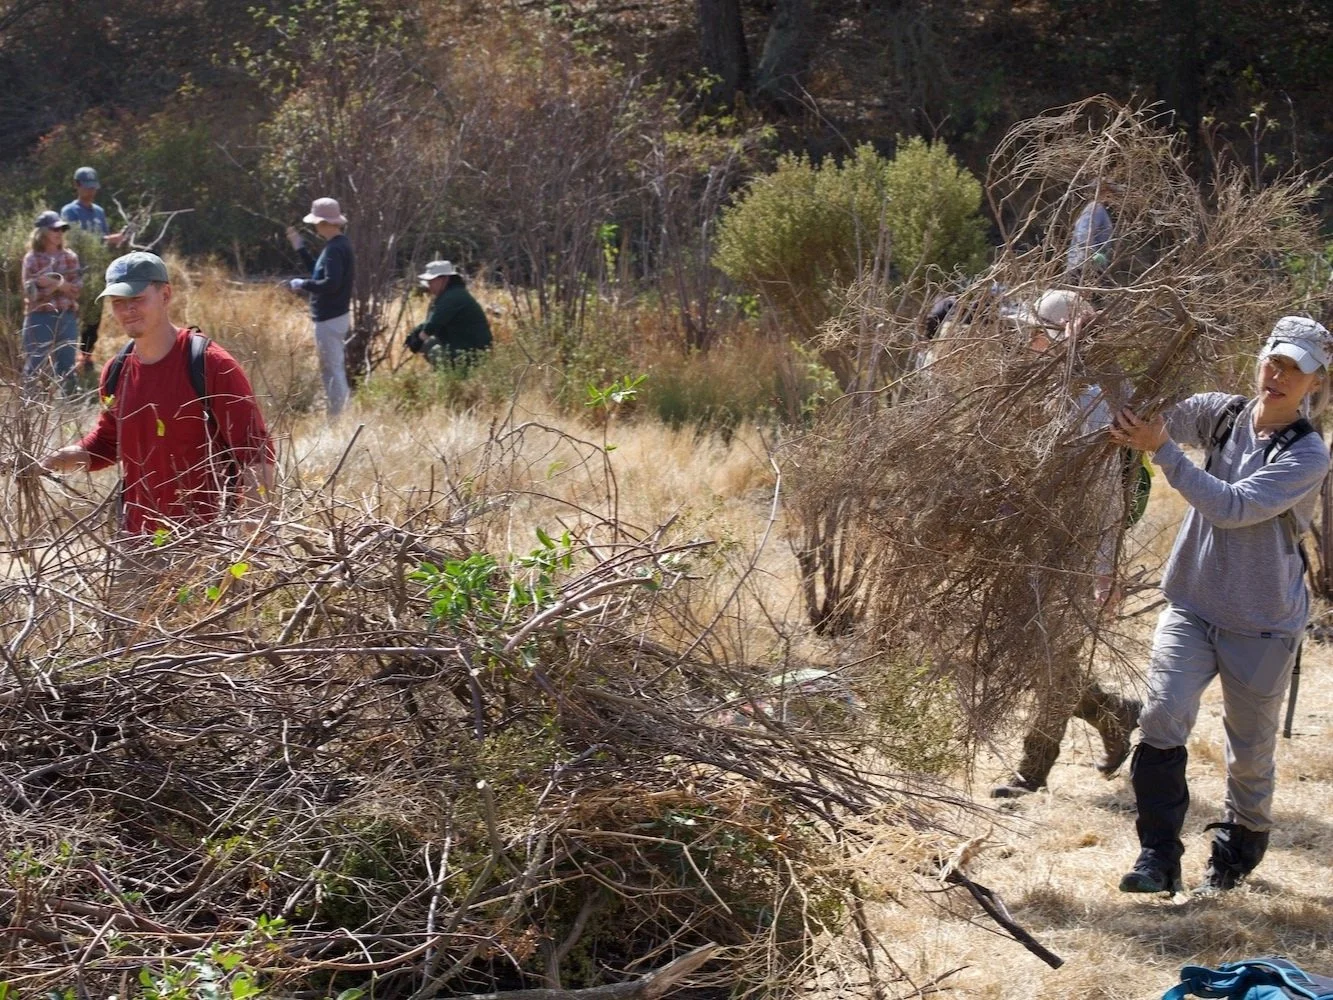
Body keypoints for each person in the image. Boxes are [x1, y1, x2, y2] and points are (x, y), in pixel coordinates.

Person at [1109, 316, 1331, 895]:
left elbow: (1233, 507)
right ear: (1261, 360)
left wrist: (1164, 453)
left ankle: (1237, 851)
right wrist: (1138, 409)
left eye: (1296, 369)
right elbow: (1161, 414)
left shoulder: (1309, 455)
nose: (1279, 375)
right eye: (1274, 361)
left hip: (1261, 624)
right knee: (1161, 717)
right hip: (1192, 604)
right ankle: (1157, 856)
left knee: (1249, 753)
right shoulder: (1224, 413)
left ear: (1316, 383)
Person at [991, 289, 1141, 798]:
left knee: (1052, 662)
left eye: (1040, 331)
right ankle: (1116, 714)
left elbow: (1104, 495)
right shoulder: (1038, 386)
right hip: (1035, 546)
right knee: (1042, 658)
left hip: (1075, 552)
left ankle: (1031, 772)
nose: (1029, 339)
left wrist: (1104, 567)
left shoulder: (1095, 399)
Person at [38, 252, 275, 539]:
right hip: (136, 541)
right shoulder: (117, 370)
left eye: (137, 299)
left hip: (205, 542)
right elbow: (108, 443)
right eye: (118, 303)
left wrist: (252, 535)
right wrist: (52, 461)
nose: (128, 310)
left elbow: (254, 452)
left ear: (165, 295)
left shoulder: (210, 364)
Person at [286, 198, 353, 418]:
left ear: (324, 223)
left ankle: (338, 419)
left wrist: (302, 284)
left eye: (316, 222)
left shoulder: (335, 249)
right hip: (334, 317)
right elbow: (319, 272)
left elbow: (330, 284)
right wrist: (300, 249)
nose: (315, 227)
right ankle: (340, 415)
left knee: (331, 370)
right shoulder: (337, 246)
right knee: (334, 368)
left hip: (330, 318)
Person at [60, 166, 128, 371]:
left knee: (93, 317)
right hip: (75, 272)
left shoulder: (99, 212)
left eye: (93, 187)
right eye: (87, 187)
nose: (91, 191)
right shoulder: (69, 211)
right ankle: (65, 360)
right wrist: (108, 239)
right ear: (77, 185)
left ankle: (86, 357)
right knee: (72, 316)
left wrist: (117, 241)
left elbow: (103, 241)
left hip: (96, 272)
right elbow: (72, 238)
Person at [20, 210, 82, 393]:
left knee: (67, 364)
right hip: (38, 317)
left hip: (66, 315)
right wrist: (62, 286)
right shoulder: (31, 258)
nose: (59, 233)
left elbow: (76, 291)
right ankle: (29, 412)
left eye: (62, 230)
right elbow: (30, 293)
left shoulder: (70, 257)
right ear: (42, 232)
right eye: (55, 229)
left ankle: (69, 409)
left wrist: (54, 284)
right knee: (35, 364)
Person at [404, 260, 493, 371]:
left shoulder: (452, 297)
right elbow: (433, 320)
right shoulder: (451, 294)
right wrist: (415, 332)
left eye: (432, 281)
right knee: (431, 342)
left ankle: (455, 378)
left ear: (445, 279)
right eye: (428, 281)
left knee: (429, 347)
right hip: (467, 346)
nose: (429, 285)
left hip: (472, 352)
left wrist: (418, 340)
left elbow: (434, 324)